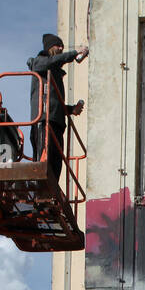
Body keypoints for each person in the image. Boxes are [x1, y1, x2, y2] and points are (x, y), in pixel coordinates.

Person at [28, 33, 88, 185]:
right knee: (44, 159)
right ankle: (41, 188)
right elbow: (42, 64)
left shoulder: (55, 73)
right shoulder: (40, 62)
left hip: (57, 122)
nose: (61, 48)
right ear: (49, 48)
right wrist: (75, 53)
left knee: (56, 160)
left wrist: (71, 109)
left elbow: (55, 101)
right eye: (58, 45)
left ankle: (52, 189)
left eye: (62, 46)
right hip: (43, 120)